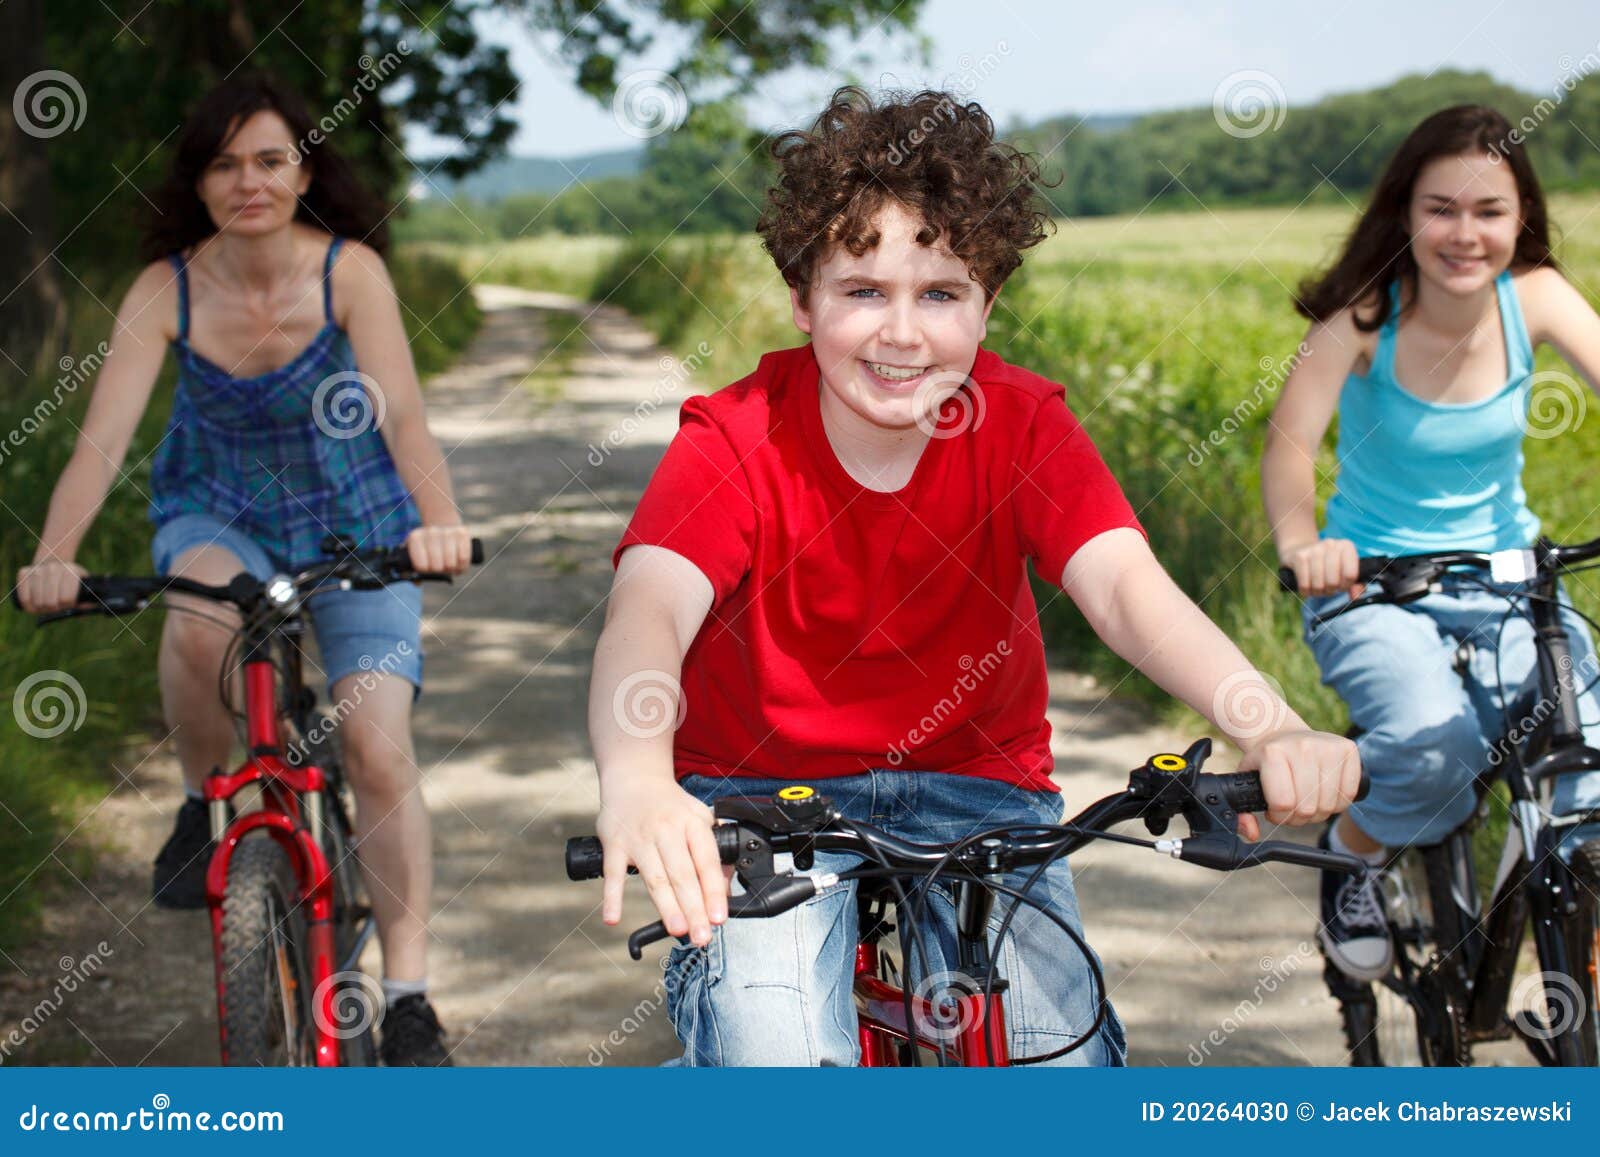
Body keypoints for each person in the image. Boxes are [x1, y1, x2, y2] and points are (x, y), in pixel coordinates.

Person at [587, 87, 1362, 1066]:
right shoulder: (735, 433)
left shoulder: (1023, 421)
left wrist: (1268, 720)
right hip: (764, 797)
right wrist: (637, 779)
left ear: (987, 304)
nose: (901, 332)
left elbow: (1125, 589)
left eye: (940, 293)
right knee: (770, 1056)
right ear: (800, 299)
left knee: (1058, 1062)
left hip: (980, 790)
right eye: (862, 290)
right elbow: (649, 608)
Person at [13, 74, 472, 1065]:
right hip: (216, 508)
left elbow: (402, 413)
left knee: (378, 744)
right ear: (200, 182)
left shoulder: (348, 272)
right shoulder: (167, 286)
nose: (249, 181)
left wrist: (440, 523)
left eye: (269, 159)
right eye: (224, 164)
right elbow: (99, 443)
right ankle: (199, 799)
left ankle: (408, 996)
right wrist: (56, 553)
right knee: (198, 620)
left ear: (304, 169)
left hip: (357, 520)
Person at [1262, 105, 1600, 981]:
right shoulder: (1364, 315)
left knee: (1589, 745)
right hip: (1374, 586)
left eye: (1488, 211)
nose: (1464, 233)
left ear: (1521, 217)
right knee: (1433, 750)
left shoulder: (1538, 298)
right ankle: (1353, 852)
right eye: (1439, 208)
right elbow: (1291, 444)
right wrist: (1305, 546)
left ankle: (1570, 928)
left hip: (1510, 580)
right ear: (1404, 214)